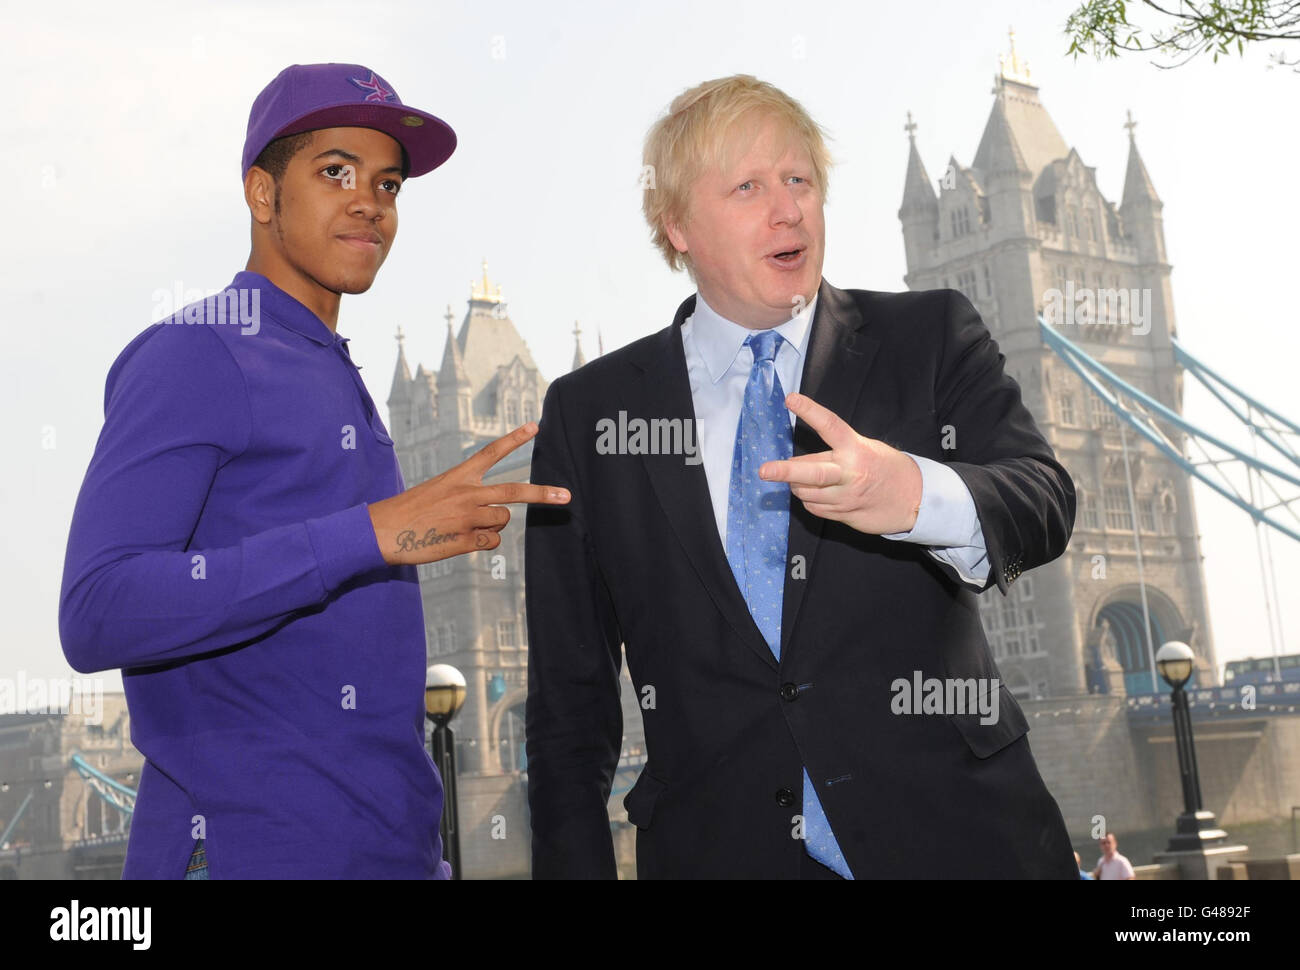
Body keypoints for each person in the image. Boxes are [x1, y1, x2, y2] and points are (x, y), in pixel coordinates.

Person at [524, 74, 1077, 879]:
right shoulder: (588, 412)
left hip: (965, 842)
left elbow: (1044, 504)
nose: (788, 209)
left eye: (800, 180)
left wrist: (915, 494)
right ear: (675, 223)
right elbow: (569, 704)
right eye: (748, 186)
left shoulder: (930, 335)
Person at [58, 63, 570, 879]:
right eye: (335, 172)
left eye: (389, 183)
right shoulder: (197, 352)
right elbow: (96, 612)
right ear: (263, 194)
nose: (370, 200)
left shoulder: (335, 371)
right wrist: (370, 533)